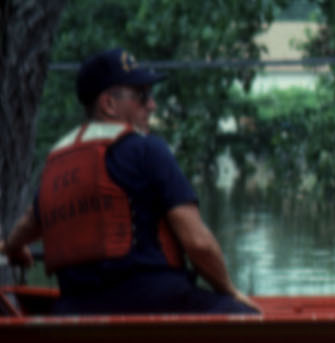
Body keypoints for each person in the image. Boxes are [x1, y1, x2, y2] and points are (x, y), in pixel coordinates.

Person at [3, 48, 258, 315]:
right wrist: (230, 291)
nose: (152, 104)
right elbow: (198, 244)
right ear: (109, 104)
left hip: (74, 311)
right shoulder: (148, 150)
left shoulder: (56, 165)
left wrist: (14, 248)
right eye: (142, 96)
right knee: (247, 316)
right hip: (157, 305)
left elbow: (29, 223)